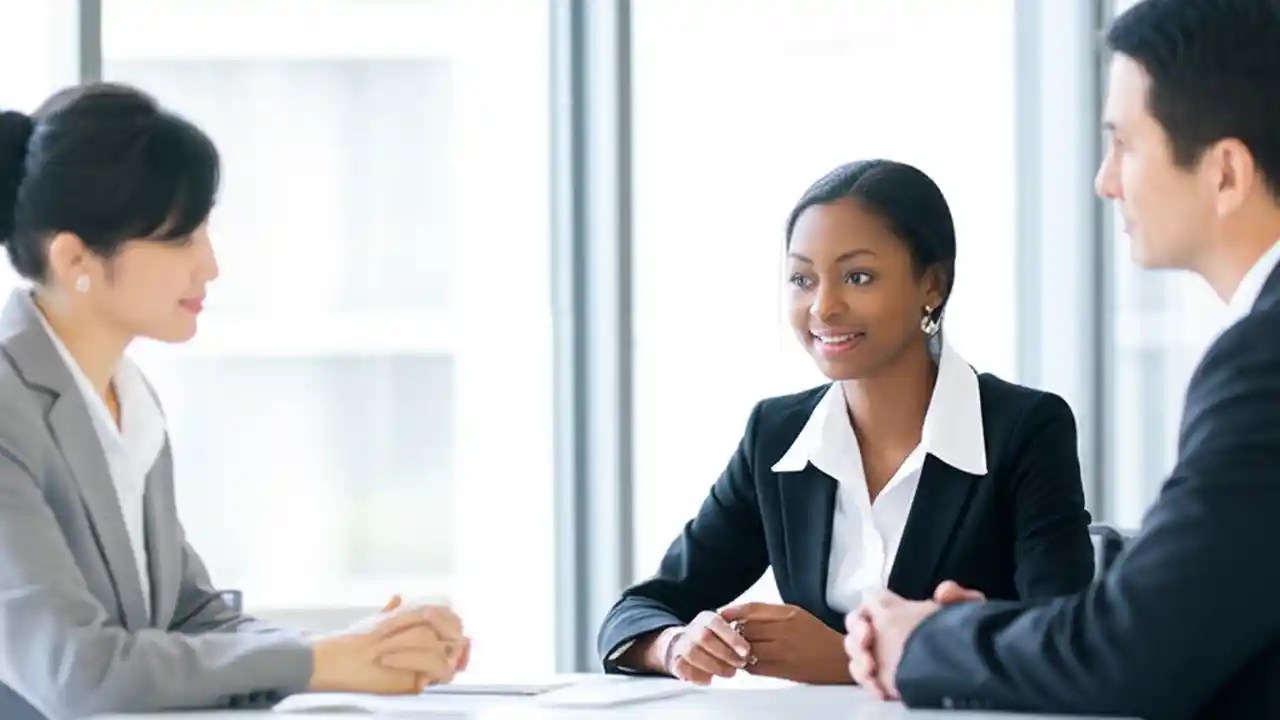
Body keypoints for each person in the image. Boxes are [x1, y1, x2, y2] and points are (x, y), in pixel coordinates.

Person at [846, 1, 1280, 717]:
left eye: (1124, 144)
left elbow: (1139, 653)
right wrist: (1008, 628)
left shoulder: (1262, 361)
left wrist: (926, 642)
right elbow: (1216, 611)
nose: (1105, 180)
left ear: (1226, 172)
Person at [0, 83, 470, 719]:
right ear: (74, 255)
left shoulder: (127, 400)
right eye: (179, 238)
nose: (210, 265)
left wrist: (363, 649)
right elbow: (81, 673)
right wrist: (323, 662)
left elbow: (192, 618)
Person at [598, 159, 1094, 686]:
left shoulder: (1024, 430)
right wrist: (677, 646)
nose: (824, 307)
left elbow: (1066, 645)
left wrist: (851, 661)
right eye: (802, 279)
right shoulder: (777, 435)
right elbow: (640, 609)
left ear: (933, 283)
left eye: (858, 277)